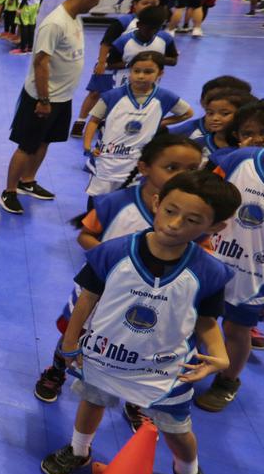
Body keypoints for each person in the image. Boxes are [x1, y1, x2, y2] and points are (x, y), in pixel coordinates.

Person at [40, 170, 240, 474]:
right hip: (107, 354)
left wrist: (219, 355)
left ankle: (187, 473)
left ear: (214, 227)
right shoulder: (112, 252)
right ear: (157, 202)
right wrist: (69, 341)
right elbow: (86, 299)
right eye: (171, 211)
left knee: (178, 430)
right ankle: (79, 450)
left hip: (166, 369)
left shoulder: (211, 273)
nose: (174, 224)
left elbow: (206, 322)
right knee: (92, 403)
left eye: (191, 220)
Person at [33, 134, 204, 407]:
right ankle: (57, 370)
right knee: (73, 333)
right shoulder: (116, 202)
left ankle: (134, 401)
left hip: (152, 298)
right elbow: (85, 236)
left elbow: (199, 256)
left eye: (192, 170)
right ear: (145, 167)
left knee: (140, 346)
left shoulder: (196, 217)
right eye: (172, 167)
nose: (181, 176)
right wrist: (116, 261)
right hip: (98, 292)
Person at [1, 0, 110, 215]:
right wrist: (43, 99)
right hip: (43, 98)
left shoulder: (75, 18)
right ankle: (9, 191)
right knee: (26, 145)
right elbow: (41, 62)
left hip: (63, 96)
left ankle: (28, 181)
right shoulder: (55, 22)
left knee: (45, 140)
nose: (98, 2)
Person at [195, 103, 264, 414]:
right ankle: (176, 366)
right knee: (193, 318)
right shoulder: (238, 160)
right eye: (251, 133)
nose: (258, 139)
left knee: (236, 329)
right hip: (213, 256)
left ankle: (228, 380)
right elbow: (204, 193)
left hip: (254, 274)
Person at [82, 51, 192, 199]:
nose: (141, 76)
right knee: (97, 199)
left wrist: (162, 122)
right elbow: (94, 121)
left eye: (148, 72)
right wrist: (88, 145)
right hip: (107, 159)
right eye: (136, 71)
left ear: (160, 73)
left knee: (127, 200)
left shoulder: (165, 97)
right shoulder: (112, 96)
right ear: (130, 71)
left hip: (137, 162)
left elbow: (187, 113)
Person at [71, 0, 165, 138]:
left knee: (122, 96)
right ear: (135, 4)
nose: (149, 6)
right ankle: (80, 122)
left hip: (130, 70)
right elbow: (106, 43)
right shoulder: (124, 21)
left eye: (153, 3)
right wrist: (102, 62)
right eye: (145, 3)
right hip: (110, 64)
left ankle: (109, 123)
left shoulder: (156, 25)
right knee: (95, 93)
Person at [165, 77, 255, 161]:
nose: (215, 118)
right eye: (210, 113)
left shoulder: (253, 144)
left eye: (225, 114)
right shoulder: (195, 143)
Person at [103, 5, 178, 88]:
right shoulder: (122, 41)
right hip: (123, 87)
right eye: (148, 29)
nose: (152, 32)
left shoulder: (166, 39)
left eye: (156, 29)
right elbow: (110, 65)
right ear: (138, 25)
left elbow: (174, 61)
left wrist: (155, 58)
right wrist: (132, 63)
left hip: (151, 88)